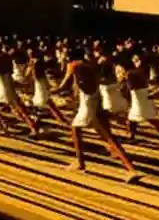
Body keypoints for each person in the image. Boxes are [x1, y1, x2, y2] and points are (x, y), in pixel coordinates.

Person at [58, 46, 141, 182]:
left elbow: (64, 84)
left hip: (88, 101)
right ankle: (130, 168)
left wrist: (55, 90)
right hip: (96, 97)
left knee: (80, 131)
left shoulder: (73, 65)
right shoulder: (89, 65)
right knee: (105, 135)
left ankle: (81, 163)